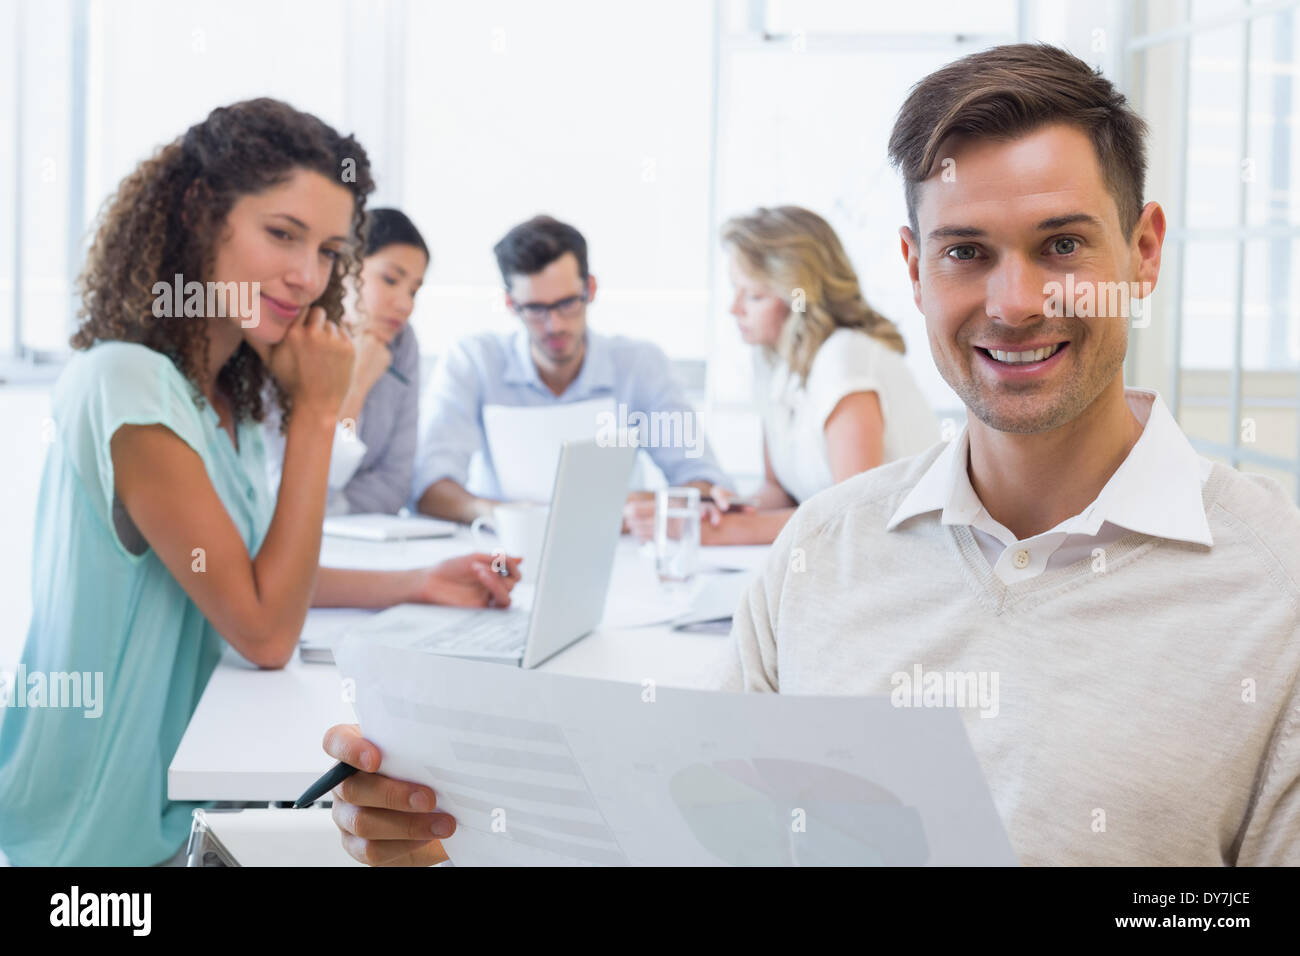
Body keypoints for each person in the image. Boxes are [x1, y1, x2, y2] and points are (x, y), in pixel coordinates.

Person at [323, 44, 1300, 866]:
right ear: (915, 271)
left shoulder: (1277, 583)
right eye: (966, 251)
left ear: (1143, 252)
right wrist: (451, 844)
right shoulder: (821, 550)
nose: (1012, 302)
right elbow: (702, 850)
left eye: (1061, 246)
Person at [0, 99, 518, 867]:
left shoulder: (221, 395)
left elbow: (248, 575)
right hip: (102, 837)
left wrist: (421, 582)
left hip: (184, 806)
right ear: (199, 215)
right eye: (282, 234)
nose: (309, 278)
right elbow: (265, 630)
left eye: (330, 251)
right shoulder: (129, 382)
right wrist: (316, 415)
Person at [412, 214, 733, 525]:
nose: (555, 325)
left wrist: (641, 505)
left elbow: (704, 481)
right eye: (536, 309)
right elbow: (429, 488)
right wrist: (508, 517)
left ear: (590, 289)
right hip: (502, 551)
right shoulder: (474, 361)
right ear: (511, 304)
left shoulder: (640, 365)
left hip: (618, 552)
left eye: (568, 303)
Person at [676, 205, 937, 546]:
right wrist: (731, 512)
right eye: (735, 290)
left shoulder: (845, 356)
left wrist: (725, 533)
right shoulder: (773, 365)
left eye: (754, 295)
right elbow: (779, 492)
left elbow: (853, 515)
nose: (734, 308)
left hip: (912, 557)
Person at [263, 208, 428, 515]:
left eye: (414, 290)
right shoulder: (292, 336)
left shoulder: (402, 344)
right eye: (390, 280)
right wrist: (356, 384)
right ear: (343, 269)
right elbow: (279, 494)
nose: (406, 304)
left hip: (360, 538)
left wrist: (330, 505)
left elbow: (396, 484)